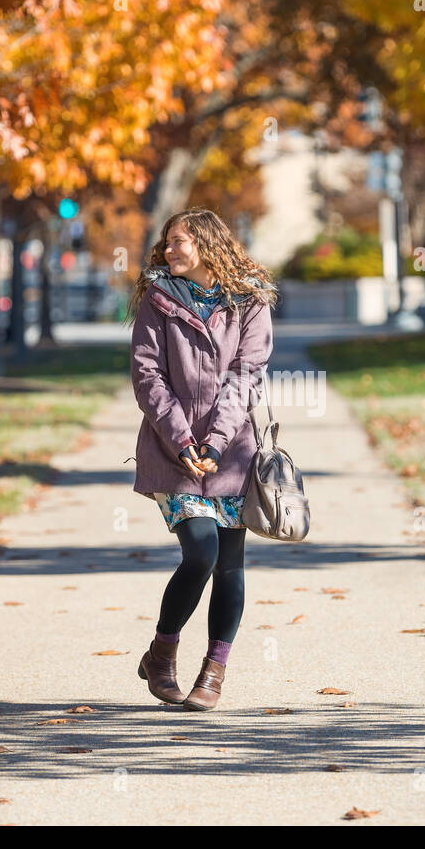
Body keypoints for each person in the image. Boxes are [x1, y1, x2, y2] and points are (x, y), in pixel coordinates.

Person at [123, 207, 278, 711]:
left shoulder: (249, 302)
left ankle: (213, 673)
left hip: (231, 454)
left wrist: (213, 444)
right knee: (201, 552)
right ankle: (162, 654)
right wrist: (183, 441)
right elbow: (148, 376)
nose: (170, 251)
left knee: (230, 565)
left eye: (180, 241)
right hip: (173, 453)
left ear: (209, 245)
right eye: (167, 242)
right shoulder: (158, 300)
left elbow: (246, 376)